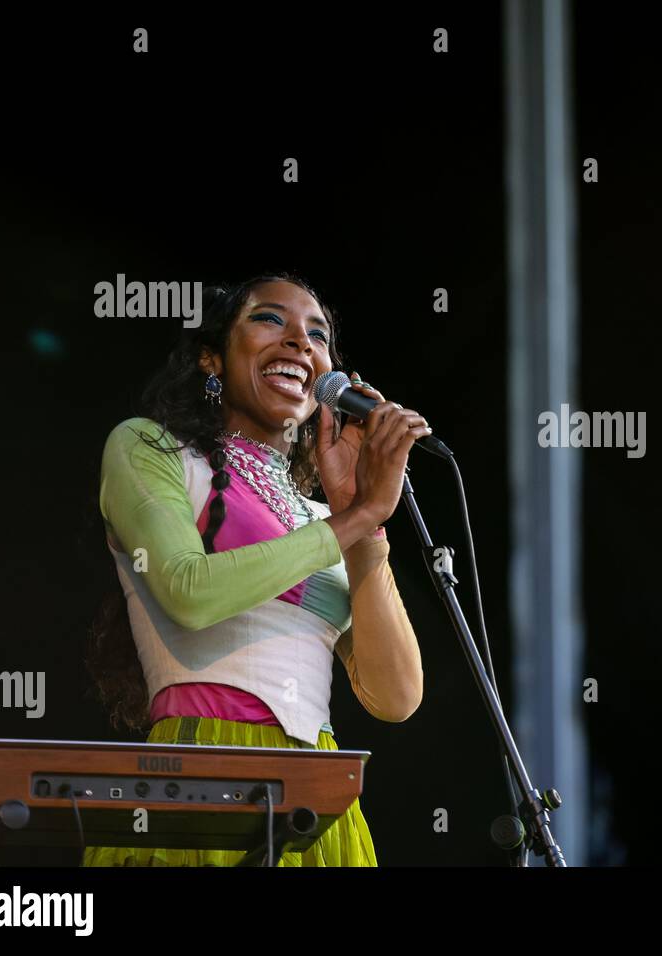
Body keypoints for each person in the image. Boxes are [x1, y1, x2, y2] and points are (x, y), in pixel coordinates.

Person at [84, 274, 429, 866]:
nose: (300, 342)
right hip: (199, 771)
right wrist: (356, 517)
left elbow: (395, 696)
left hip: (319, 799)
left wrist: (364, 529)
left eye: (317, 334)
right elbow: (188, 592)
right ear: (211, 357)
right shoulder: (151, 450)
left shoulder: (327, 516)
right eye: (270, 320)